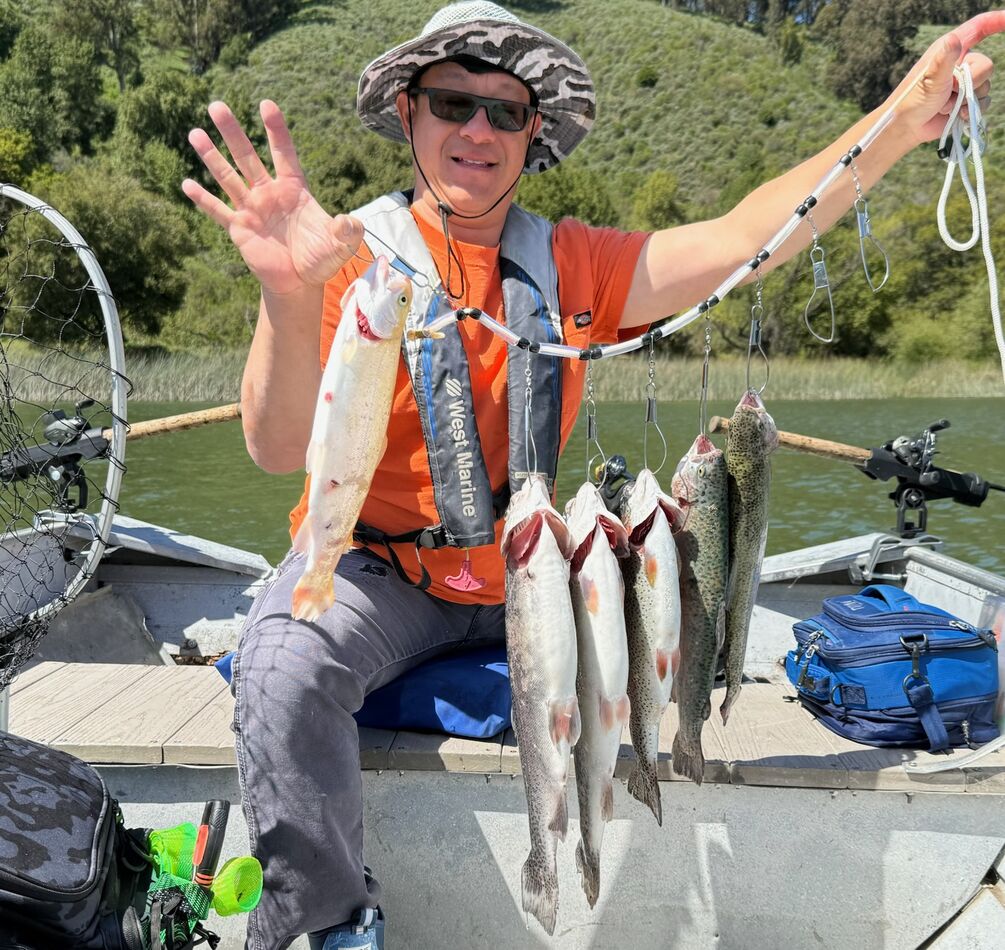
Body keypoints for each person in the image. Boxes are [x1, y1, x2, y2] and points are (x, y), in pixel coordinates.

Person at [183, 3, 1002, 947]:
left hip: (530, 567)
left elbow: (743, 239)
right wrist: (285, 295)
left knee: (671, 617)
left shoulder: (571, 263)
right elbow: (278, 448)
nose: (477, 130)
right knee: (281, 669)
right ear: (408, 115)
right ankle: (324, 926)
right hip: (375, 571)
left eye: (506, 112)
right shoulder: (344, 259)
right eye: (452, 103)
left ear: (535, 137)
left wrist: (901, 118)